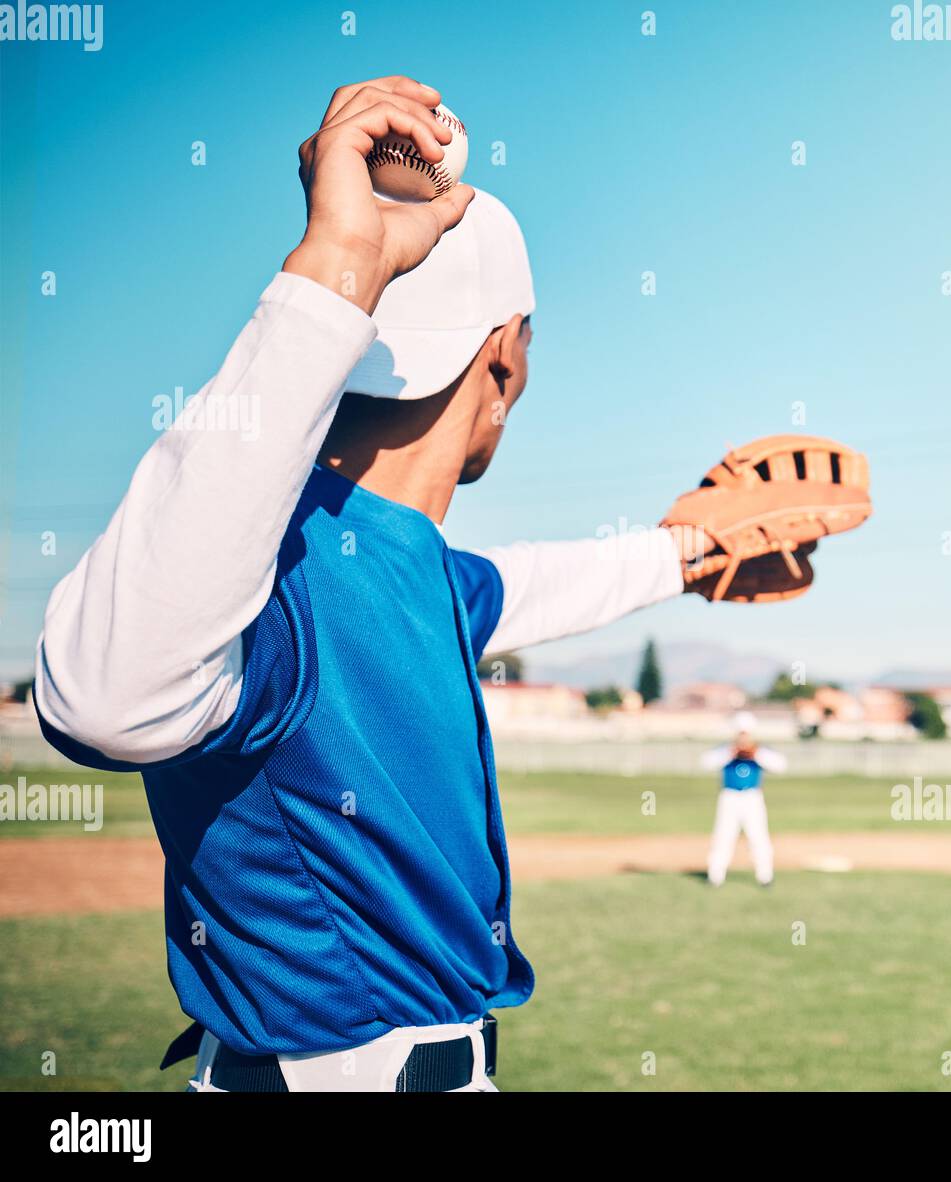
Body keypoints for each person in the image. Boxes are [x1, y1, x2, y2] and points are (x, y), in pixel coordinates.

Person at [33, 77, 707, 1092]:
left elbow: (534, 585)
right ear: (503, 364)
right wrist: (339, 263)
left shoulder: (405, 563)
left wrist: (689, 554)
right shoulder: (270, 564)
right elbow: (103, 703)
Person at [700, 711, 788, 887]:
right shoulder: (726, 750)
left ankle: (765, 876)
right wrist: (731, 752)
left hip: (752, 797)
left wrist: (755, 753)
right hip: (729, 796)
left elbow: (780, 765)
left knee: (758, 836)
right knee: (723, 835)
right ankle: (715, 876)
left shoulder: (760, 750)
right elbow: (706, 763)